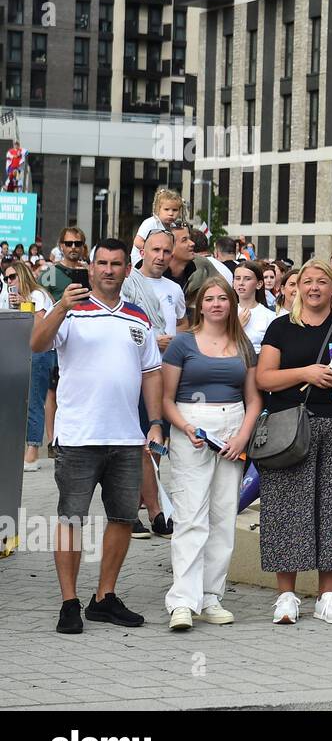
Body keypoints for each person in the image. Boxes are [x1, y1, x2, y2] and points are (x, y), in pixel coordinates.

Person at [30, 239, 164, 634]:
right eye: (102, 263)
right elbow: (36, 343)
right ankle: (69, 601)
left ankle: (104, 597)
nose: (108, 270)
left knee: (122, 518)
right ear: (91, 269)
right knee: (71, 517)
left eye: (116, 264)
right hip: (78, 436)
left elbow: (151, 373)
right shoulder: (71, 311)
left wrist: (154, 422)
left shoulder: (138, 316)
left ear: (127, 269)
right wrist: (59, 307)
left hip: (125, 437)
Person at [255, 260, 332, 624]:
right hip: (290, 427)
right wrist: (307, 372)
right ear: (297, 287)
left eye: (322, 282)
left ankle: (328, 595)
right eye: (308, 282)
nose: (314, 288)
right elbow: (265, 378)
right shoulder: (281, 327)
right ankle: (286, 595)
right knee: (287, 505)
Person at [159, 277, 261, 630]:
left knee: (222, 516)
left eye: (223, 298)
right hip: (192, 426)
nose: (217, 304)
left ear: (232, 304)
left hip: (232, 428)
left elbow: (253, 398)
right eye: (210, 299)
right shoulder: (182, 344)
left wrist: (243, 437)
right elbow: (166, 398)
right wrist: (183, 427)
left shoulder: (243, 345)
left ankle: (211, 596)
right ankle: (182, 601)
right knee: (190, 516)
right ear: (199, 305)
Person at [121, 228, 187, 540]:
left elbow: (185, 324)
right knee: (137, 445)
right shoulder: (127, 284)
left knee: (156, 444)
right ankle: (151, 510)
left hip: (167, 375)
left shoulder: (175, 288)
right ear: (143, 251)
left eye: (166, 252)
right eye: (155, 250)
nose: (160, 256)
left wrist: (178, 342)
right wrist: (149, 341)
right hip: (135, 373)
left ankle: (139, 507)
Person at [6, 260, 55, 471]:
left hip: (40, 352)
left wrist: (24, 304)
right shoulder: (9, 297)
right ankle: (19, 450)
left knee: (34, 399)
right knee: (19, 401)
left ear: (22, 276)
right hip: (20, 352)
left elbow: (41, 328)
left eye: (12, 277)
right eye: (6, 278)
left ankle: (33, 452)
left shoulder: (37, 295)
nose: (9, 281)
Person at [233, 261, 277, 353]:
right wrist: (238, 327)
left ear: (259, 284)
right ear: (233, 283)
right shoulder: (226, 312)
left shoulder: (270, 316)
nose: (241, 283)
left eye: (247, 279)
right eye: (237, 278)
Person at [131, 187, 184, 264]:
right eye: (166, 209)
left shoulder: (173, 227)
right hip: (141, 261)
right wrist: (154, 252)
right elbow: (137, 241)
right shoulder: (151, 223)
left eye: (175, 210)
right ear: (158, 209)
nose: (171, 213)